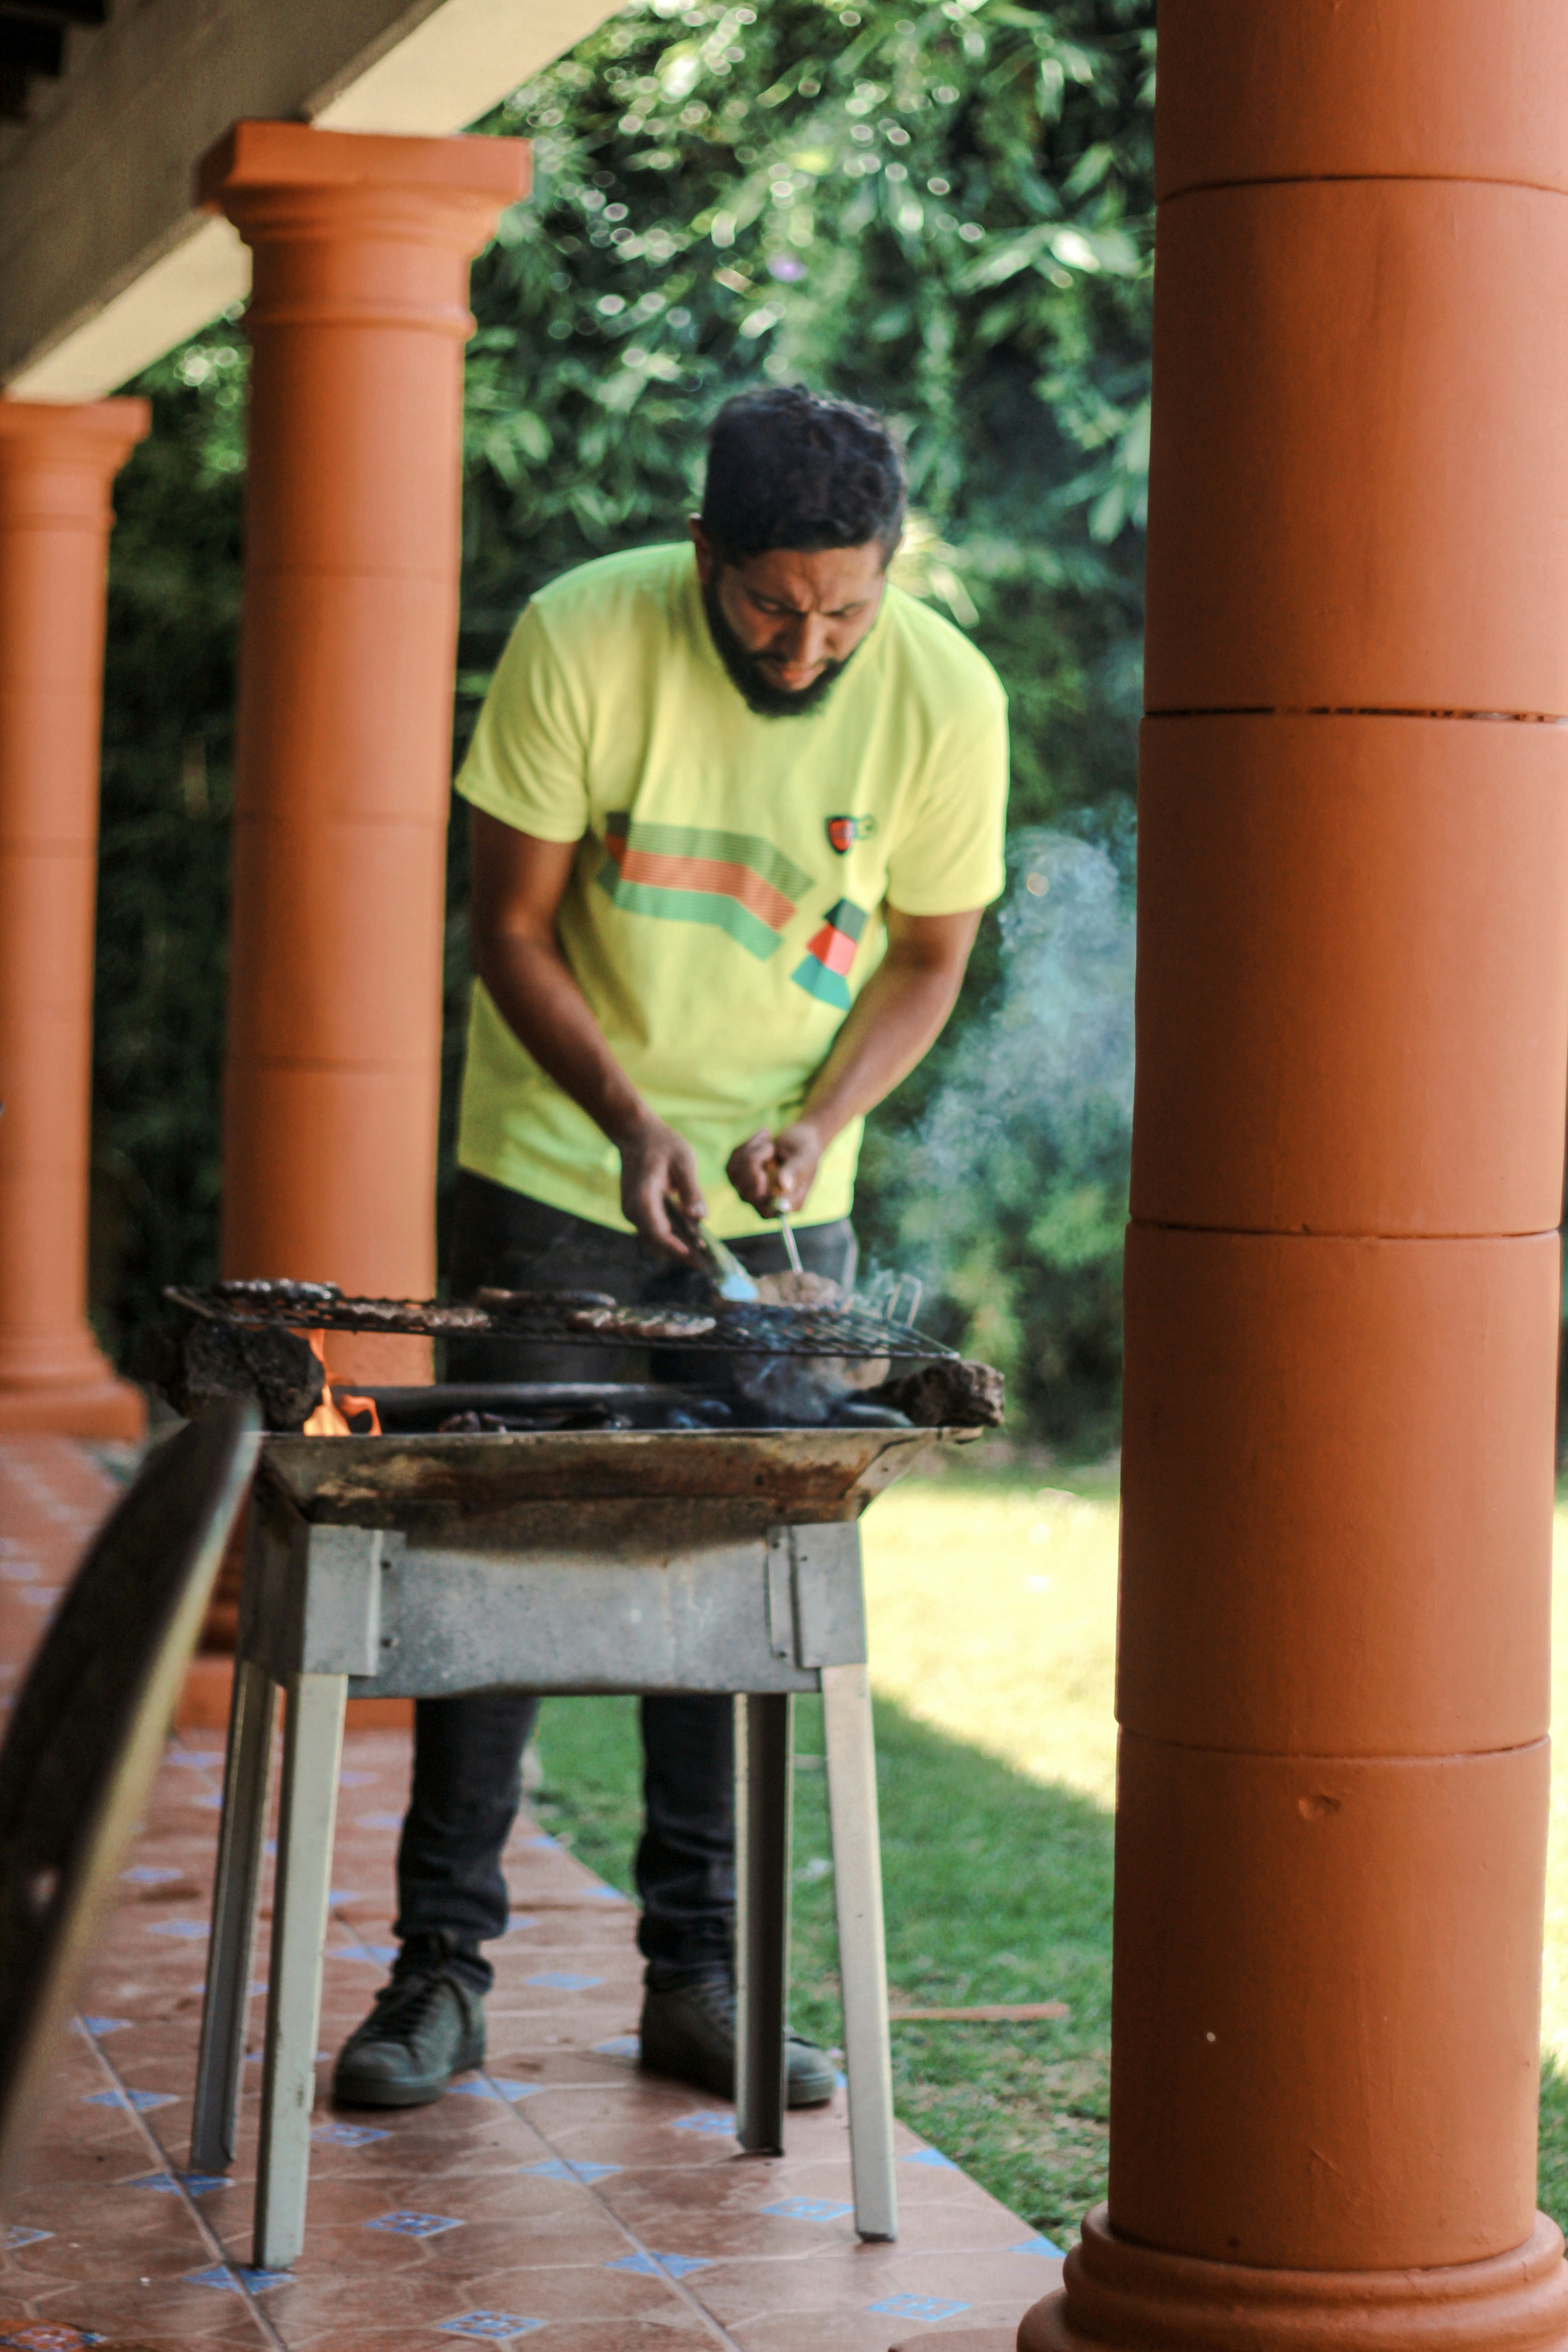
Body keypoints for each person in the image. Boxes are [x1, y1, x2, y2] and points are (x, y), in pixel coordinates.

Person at [332, 385, 1009, 2112]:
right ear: (705, 555)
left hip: (785, 1204)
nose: (807, 648)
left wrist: (822, 1111)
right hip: (559, 1162)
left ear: (890, 571)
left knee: (714, 1578)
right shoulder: (582, 635)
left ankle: (697, 1982)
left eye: (845, 608)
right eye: (772, 606)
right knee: (502, 1568)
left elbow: (930, 956)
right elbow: (507, 926)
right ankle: (437, 1978)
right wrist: (635, 1121)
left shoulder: (943, 693)